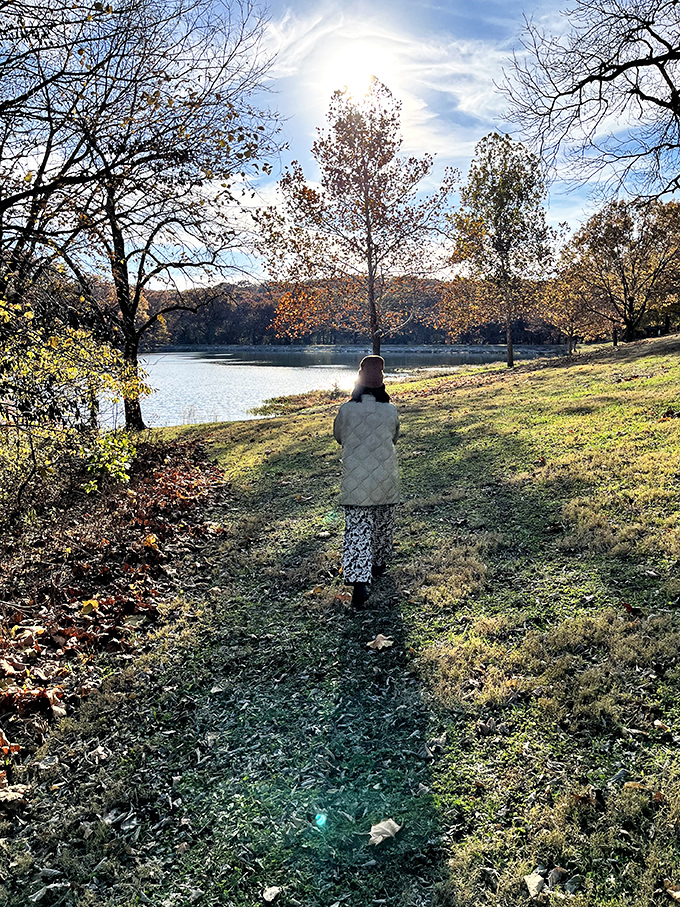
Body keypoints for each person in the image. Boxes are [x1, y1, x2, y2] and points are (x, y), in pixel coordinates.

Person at [333, 355, 400, 607]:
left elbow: (339, 436)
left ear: (358, 381)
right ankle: (378, 564)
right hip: (385, 477)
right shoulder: (390, 410)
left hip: (355, 480)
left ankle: (359, 583)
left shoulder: (346, 410)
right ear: (381, 383)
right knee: (382, 523)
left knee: (357, 529)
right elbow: (395, 436)